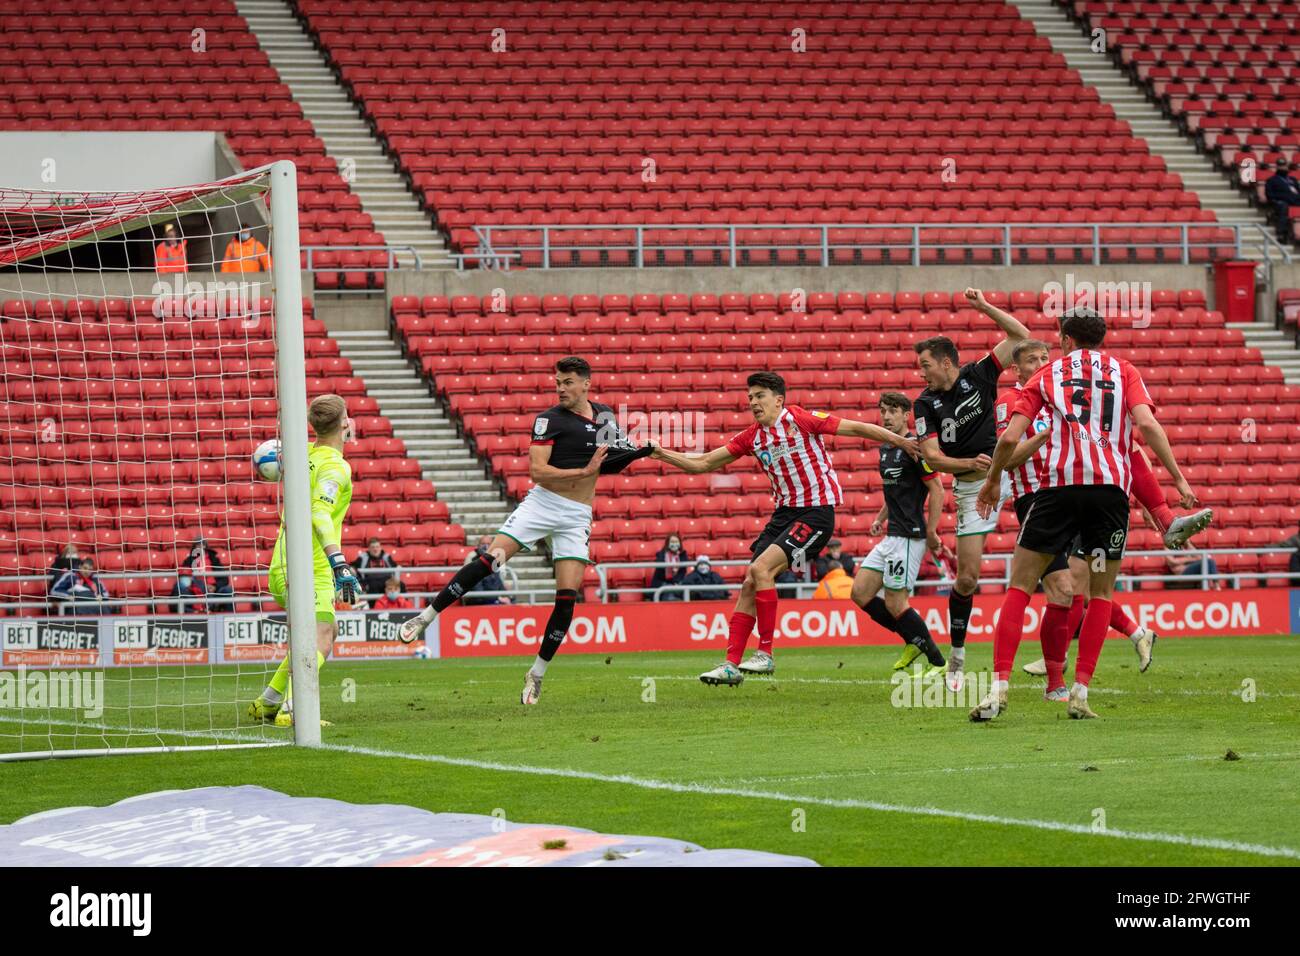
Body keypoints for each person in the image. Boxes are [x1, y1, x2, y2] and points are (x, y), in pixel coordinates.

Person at [972, 307, 1197, 720]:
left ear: (1065, 340)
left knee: (1019, 587)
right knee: (1100, 595)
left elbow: (1009, 437)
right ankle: (1079, 693)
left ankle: (999, 689)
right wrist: (1179, 480)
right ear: (1101, 338)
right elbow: (1145, 426)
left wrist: (991, 480)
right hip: (1109, 494)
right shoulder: (1124, 370)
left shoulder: (1048, 374)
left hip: (1058, 491)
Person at [398, 356, 655, 704]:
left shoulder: (605, 414)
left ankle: (536, 674)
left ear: (585, 384)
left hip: (577, 515)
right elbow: (538, 471)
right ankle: (425, 617)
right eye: (557, 382)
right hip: (543, 504)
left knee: (566, 601)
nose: (560, 388)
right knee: (491, 560)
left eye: (567, 382)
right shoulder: (548, 420)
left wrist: (641, 452)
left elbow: (609, 462)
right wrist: (583, 471)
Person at [651, 370, 918, 685]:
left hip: (816, 512)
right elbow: (703, 463)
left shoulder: (801, 419)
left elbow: (856, 427)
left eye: (760, 396)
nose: (753, 402)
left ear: (779, 400)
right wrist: (659, 453)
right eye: (750, 397)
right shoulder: (753, 436)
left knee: (761, 570)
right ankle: (730, 665)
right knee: (751, 581)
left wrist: (899, 440)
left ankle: (765, 654)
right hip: (784, 515)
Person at [913, 288, 1031, 693]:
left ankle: (1056, 667)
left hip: (1011, 471)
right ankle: (958, 656)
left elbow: (1021, 337)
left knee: (1059, 576)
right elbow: (932, 458)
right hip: (971, 486)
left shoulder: (978, 374)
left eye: (926, 365)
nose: (922, 373)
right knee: (967, 578)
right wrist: (969, 465)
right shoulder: (924, 403)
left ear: (947, 362)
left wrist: (984, 308)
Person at [248, 394, 360, 728]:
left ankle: (267, 703)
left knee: (323, 633)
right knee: (322, 637)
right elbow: (320, 513)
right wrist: (339, 562)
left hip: (280, 564)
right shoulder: (335, 466)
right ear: (343, 424)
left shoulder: (303, 456)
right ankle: (294, 710)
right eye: (349, 416)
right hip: (310, 569)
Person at [849, 392, 947, 676]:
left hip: (909, 536)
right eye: (883, 411)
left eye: (893, 411)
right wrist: (881, 518)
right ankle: (913, 639)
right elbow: (894, 491)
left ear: (907, 415)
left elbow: (937, 489)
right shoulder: (886, 448)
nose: (887, 417)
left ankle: (937, 661)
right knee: (860, 592)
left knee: (895, 602)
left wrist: (931, 531)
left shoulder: (916, 447)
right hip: (891, 534)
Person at [182, 537, 233, 612]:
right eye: (198, 545)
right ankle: (208, 608)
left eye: (202, 544)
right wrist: (201, 587)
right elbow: (185, 578)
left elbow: (224, 579)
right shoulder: (188, 561)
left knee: (228, 590)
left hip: (215, 590)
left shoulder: (214, 560)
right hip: (197, 592)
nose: (200, 546)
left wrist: (214, 587)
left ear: (205, 546)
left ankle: (230, 617)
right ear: (194, 547)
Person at [463, 537, 510, 605]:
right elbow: (477, 591)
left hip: (493, 597)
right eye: (483, 543)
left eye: (488, 544)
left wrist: (507, 598)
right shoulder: (474, 561)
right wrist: (498, 600)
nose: (486, 546)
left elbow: (500, 581)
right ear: (478, 545)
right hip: (480, 600)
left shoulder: (496, 562)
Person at [1264, 161, 1300, 243]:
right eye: (1281, 166)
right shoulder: (1272, 180)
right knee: (1283, 207)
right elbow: (1269, 194)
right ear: (1277, 168)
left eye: (1284, 166)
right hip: (1281, 202)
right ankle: (1281, 233)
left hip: (1295, 201)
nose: (1283, 168)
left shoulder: (1292, 180)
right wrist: (1278, 199)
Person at [650, 533, 690, 600]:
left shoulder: (683, 554)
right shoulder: (661, 554)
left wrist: (676, 582)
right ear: (668, 543)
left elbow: (682, 572)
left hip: (677, 582)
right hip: (662, 582)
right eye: (672, 542)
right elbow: (660, 572)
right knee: (669, 589)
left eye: (676, 542)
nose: (674, 544)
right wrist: (672, 584)